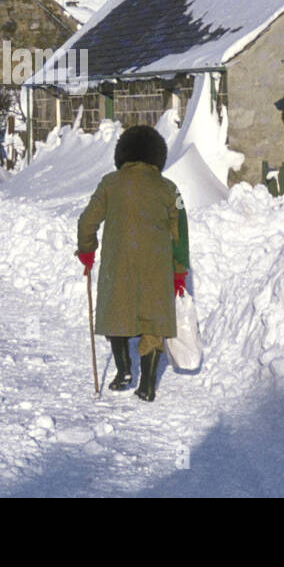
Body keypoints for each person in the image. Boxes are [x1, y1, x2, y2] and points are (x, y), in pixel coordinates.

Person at [76, 124, 189, 402]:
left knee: (118, 311)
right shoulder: (169, 189)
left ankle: (123, 370)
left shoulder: (109, 183)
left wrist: (87, 250)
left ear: (123, 154)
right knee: (153, 320)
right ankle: (148, 384)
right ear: (157, 156)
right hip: (157, 266)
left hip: (119, 264)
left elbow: (86, 222)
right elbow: (181, 234)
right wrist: (179, 270)